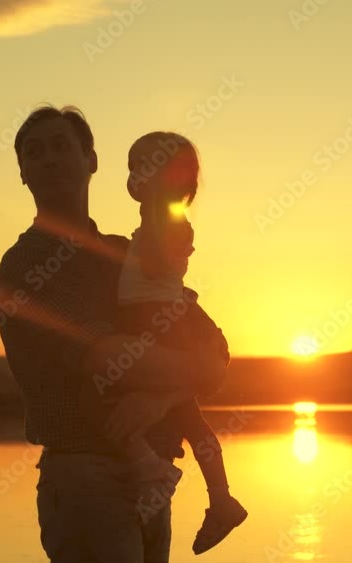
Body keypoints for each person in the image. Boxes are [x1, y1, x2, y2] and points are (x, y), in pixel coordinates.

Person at [0, 104, 230, 563]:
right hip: (85, 477)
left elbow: (214, 348)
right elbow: (107, 357)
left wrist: (166, 396)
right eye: (34, 152)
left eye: (62, 146)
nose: (49, 159)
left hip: (155, 478)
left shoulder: (134, 255)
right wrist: (192, 374)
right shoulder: (23, 268)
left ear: (92, 161)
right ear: (22, 173)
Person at [101, 131, 248, 554]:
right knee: (188, 417)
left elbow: (157, 265)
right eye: (131, 167)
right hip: (154, 318)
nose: (134, 176)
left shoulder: (167, 220)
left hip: (156, 322)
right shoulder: (159, 217)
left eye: (145, 167)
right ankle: (220, 498)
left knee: (120, 393)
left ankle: (176, 479)